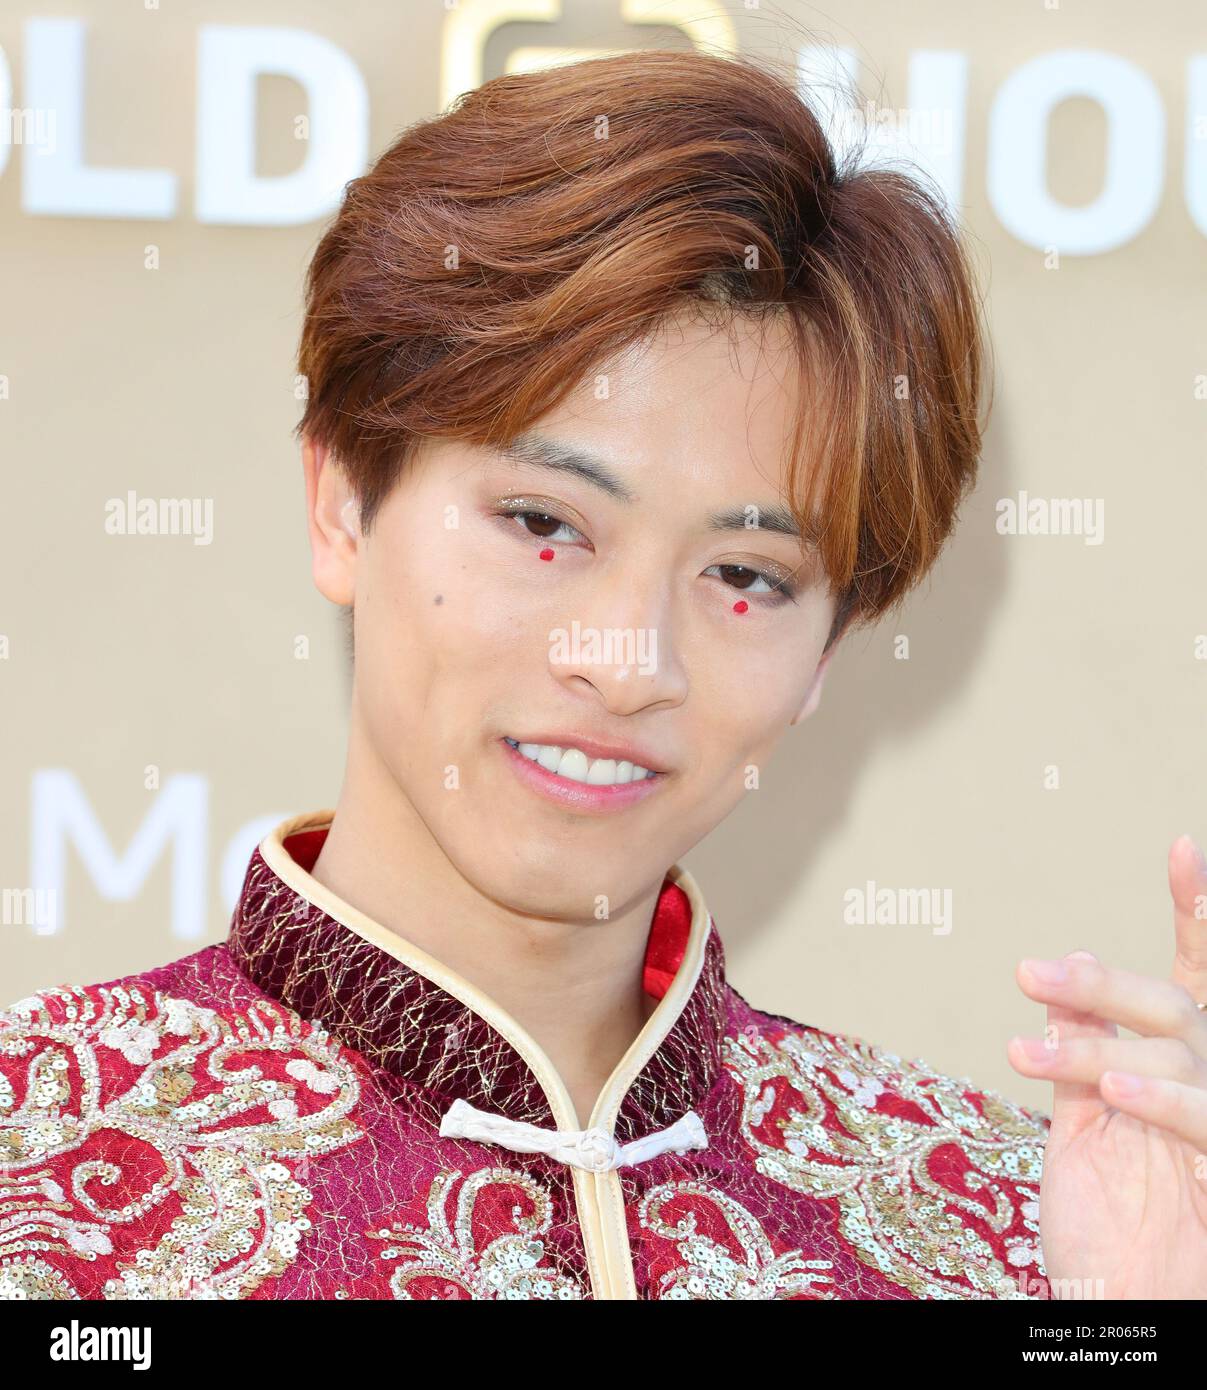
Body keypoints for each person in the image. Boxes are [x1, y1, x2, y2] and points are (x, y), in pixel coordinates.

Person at [3, 47, 1205, 1303]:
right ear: (342, 503)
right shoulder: (31, 1166)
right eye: (543, 523)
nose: (629, 662)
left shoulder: (1021, 1228)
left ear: (827, 653)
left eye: (745, 576)